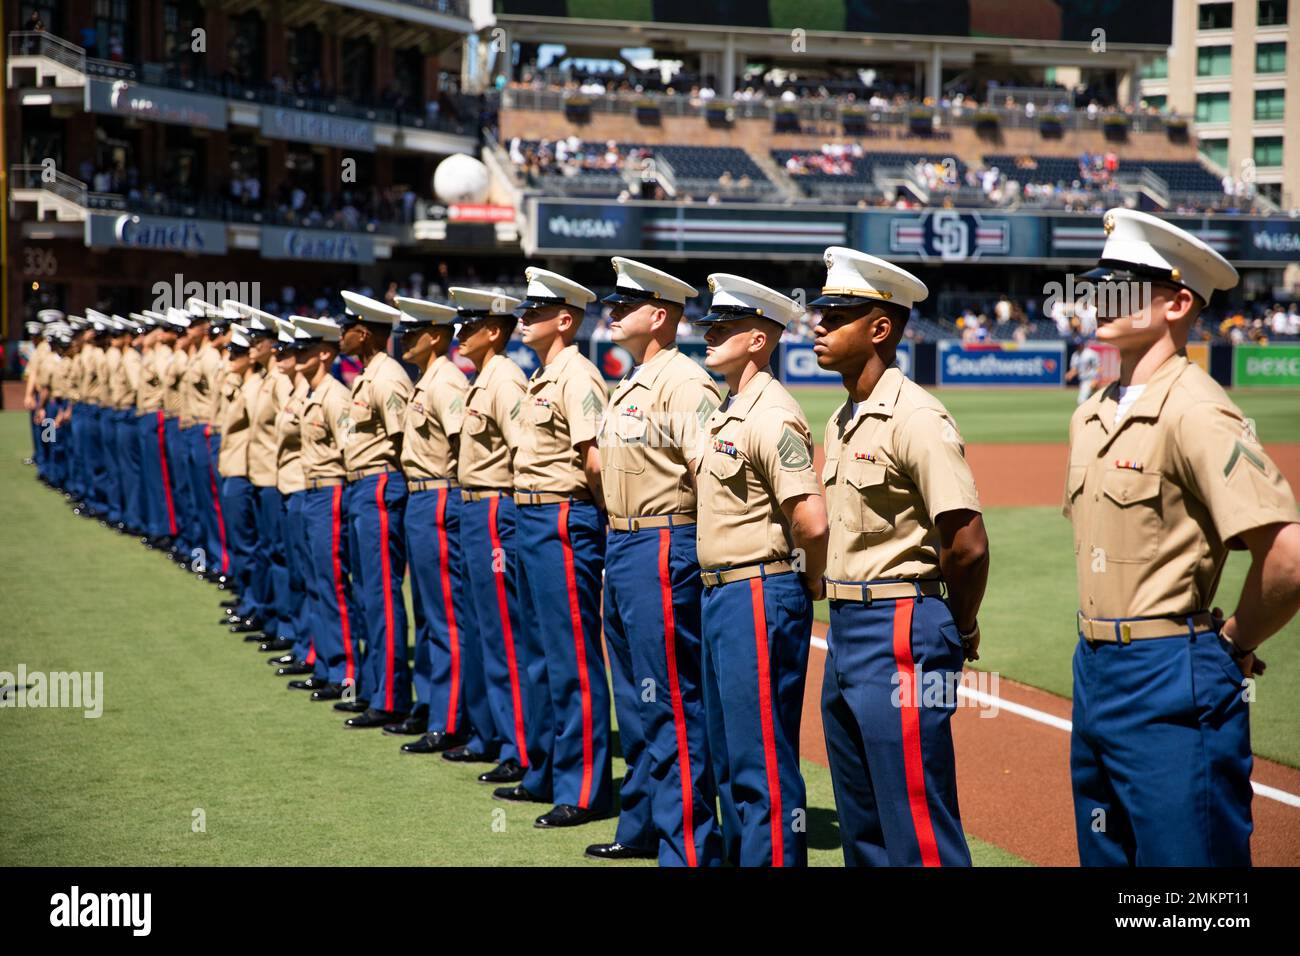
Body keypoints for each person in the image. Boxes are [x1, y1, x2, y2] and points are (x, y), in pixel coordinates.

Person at [1064, 208, 1300, 866]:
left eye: (1126, 282)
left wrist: (1230, 647)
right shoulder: (1091, 413)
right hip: (1095, 670)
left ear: (1177, 302)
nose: (1101, 297)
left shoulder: (1197, 408)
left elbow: (1288, 555)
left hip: (1170, 672)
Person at [811, 246, 989, 866]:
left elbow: (966, 543)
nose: (818, 325)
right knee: (862, 817)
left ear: (880, 328)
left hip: (902, 627)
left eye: (836, 315)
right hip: (849, 626)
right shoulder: (842, 418)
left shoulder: (916, 416)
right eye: (820, 312)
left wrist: (959, 627)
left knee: (915, 813)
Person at [588, 257, 724, 865]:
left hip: (664, 542)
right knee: (637, 699)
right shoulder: (631, 380)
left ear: (660, 316)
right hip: (624, 544)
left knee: (669, 699)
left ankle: (687, 845)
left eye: (626, 305)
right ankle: (643, 824)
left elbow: (710, 474)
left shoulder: (683, 382)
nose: (612, 313)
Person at [692, 274, 829, 867]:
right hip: (724, 595)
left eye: (723, 329)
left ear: (756, 339)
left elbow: (813, 522)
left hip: (756, 589)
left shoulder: (773, 414)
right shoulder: (731, 408)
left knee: (760, 760)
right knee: (727, 755)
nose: (709, 337)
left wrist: (809, 581)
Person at [494, 268, 613, 831]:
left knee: (571, 660)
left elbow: (594, 462)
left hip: (563, 515)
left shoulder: (577, 375)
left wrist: (597, 523)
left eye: (535, 311)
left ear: (565, 320)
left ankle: (584, 788)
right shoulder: (543, 375)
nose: (524, 318)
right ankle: (544, 767)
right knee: (539, 653)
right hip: (530, 515)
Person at [442, 287, 530, 783]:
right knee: (479, 626)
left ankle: (516, 745)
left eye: (468, 326)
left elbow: (523, 452)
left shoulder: (504, 380)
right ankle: (489, 733)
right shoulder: (484, 379)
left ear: (493, 332)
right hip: (473, 507)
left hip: (495, 507)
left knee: (501, 632)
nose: (459, 335)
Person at [387, 295, 475, 755]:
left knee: (444, 615)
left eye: (414, 330)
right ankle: (429, 704)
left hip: (440, 495)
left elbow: (465, 446)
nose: (404, 337)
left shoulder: (446, 383)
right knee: (426, 611)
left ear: (436, 336)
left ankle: (450, 716)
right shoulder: (429, 380)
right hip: (421, 498)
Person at [337, 290, 415, 728]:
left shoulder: (387, 378)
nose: (341, 336)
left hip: (380, 484)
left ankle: (390, 697)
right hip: (361, 487)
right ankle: (373, 687)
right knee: (368, 591)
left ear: (364, 333)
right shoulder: (367, 374)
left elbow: (404, 443)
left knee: (383, 594)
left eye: (347, 328)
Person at [288, 315, 366, 701]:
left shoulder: (335, 396)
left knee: (333, 585)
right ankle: (325, 665)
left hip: (332, 492)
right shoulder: (311, 394)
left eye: (304, 349)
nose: (296, 355)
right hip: (311, 492)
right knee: (316, 582)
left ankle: (346, 675)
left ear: (323, 353)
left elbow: (350, 449)